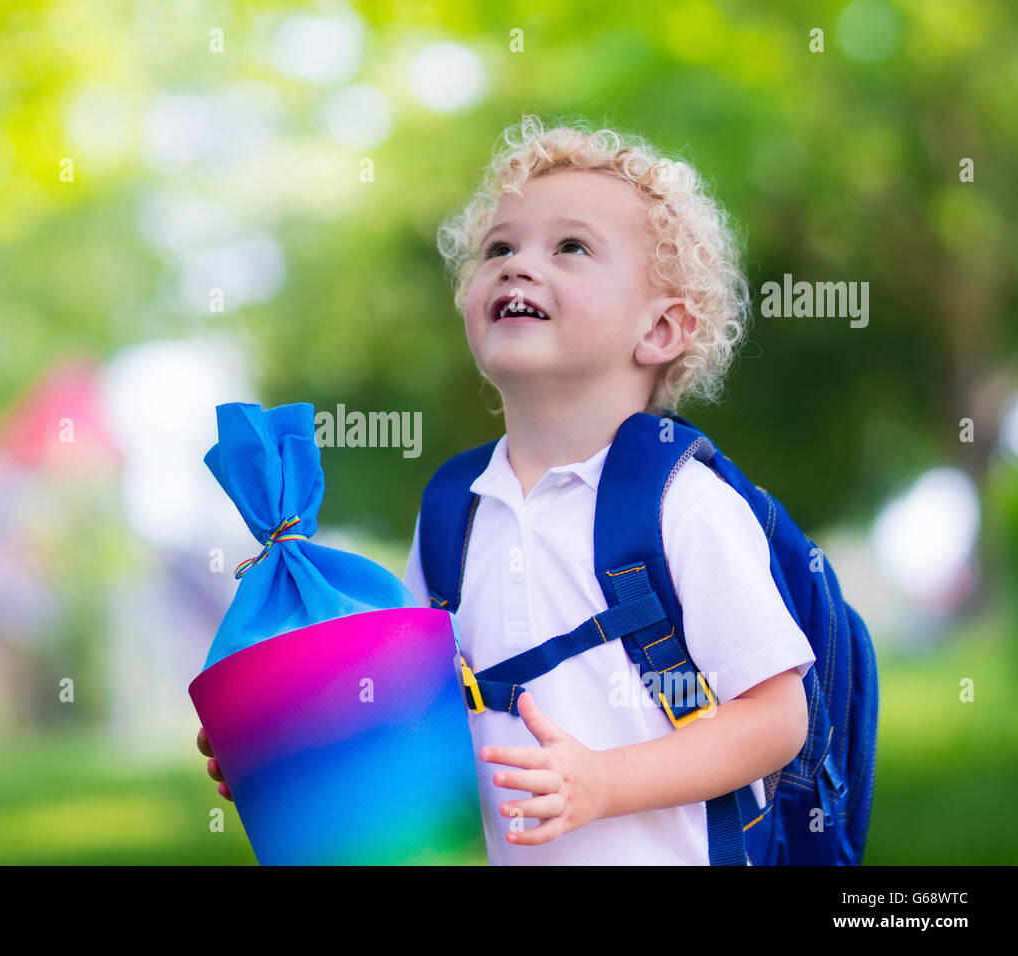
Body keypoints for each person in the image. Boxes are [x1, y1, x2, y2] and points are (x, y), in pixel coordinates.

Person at [202, 114, 815, 864]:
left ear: (660, 330)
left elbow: (774, 720)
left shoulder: (681, 506)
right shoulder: (453, 514)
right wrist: (293, 744)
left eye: (571, 247)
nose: (519, 266)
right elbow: (421, 720)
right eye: (499, 247)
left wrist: (604, 782)